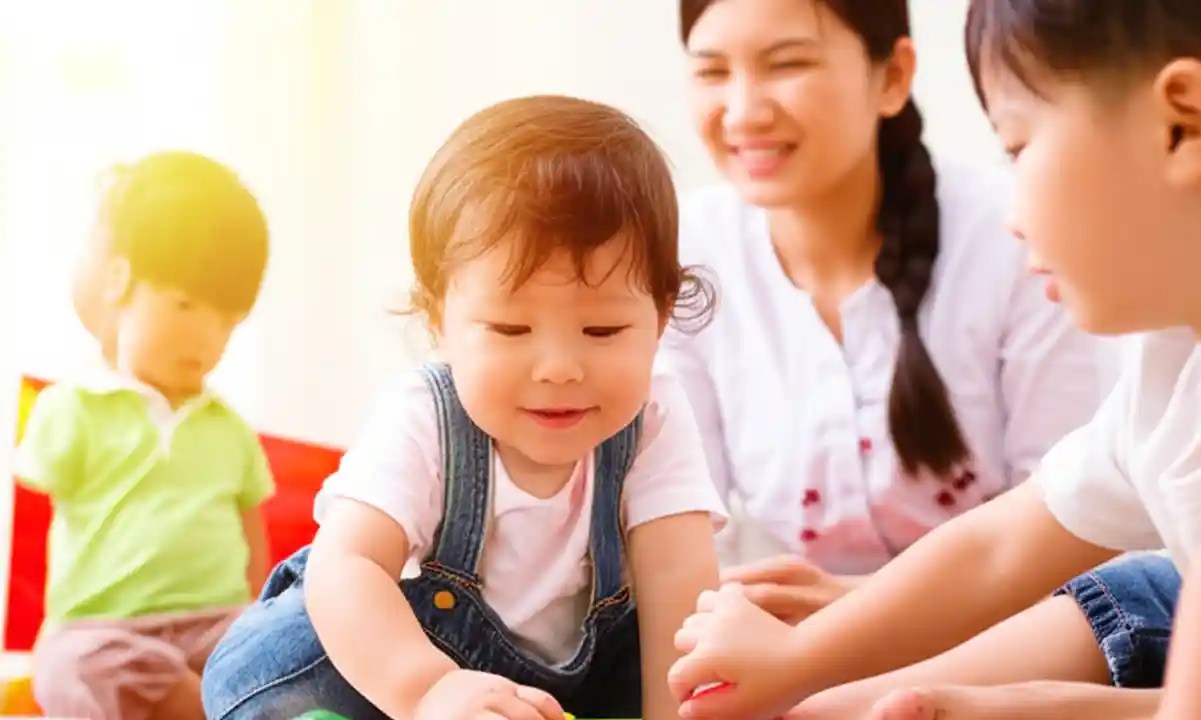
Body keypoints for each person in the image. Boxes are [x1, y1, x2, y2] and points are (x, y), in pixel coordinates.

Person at [667, 1, 1201, 718]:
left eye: (1018, 149)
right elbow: (1004, 543)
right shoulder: (1177, 361)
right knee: (1129, 594)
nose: (1014, 214)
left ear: (1183, 124)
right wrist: (801, 661)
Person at [199, 95, 726, 720]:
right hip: (366, 669)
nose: (559, 367)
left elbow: (677, 581)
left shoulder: (654, 416)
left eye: (604, 331)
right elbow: (351, 562)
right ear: (437, 322)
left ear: (662, 316)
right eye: (509, 330)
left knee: (691, 658)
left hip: (545, 691)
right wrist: (427, 690)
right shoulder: (423, 415)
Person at [661, 0, 1103, 620]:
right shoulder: (683, 255)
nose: (743, 111)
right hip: (790, 648)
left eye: (787, 64)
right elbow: (678, 526)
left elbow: (1077, 534)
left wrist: (850, 613)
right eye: (711, 72)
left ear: (893, 76)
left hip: (1014, 638)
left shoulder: (1020, 234)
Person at [16, 151, 275, 720]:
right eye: (183, 305)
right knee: (69, 668)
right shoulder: (72, 406)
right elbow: (26, 519)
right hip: (106, 629)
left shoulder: (229, 429)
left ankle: (204, 696)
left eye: (226, 321)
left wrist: (256, 615)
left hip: (215, 624)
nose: (204, 337)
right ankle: (197, 704)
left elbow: (251, 533)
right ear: (119, 282)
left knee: (286, 640)